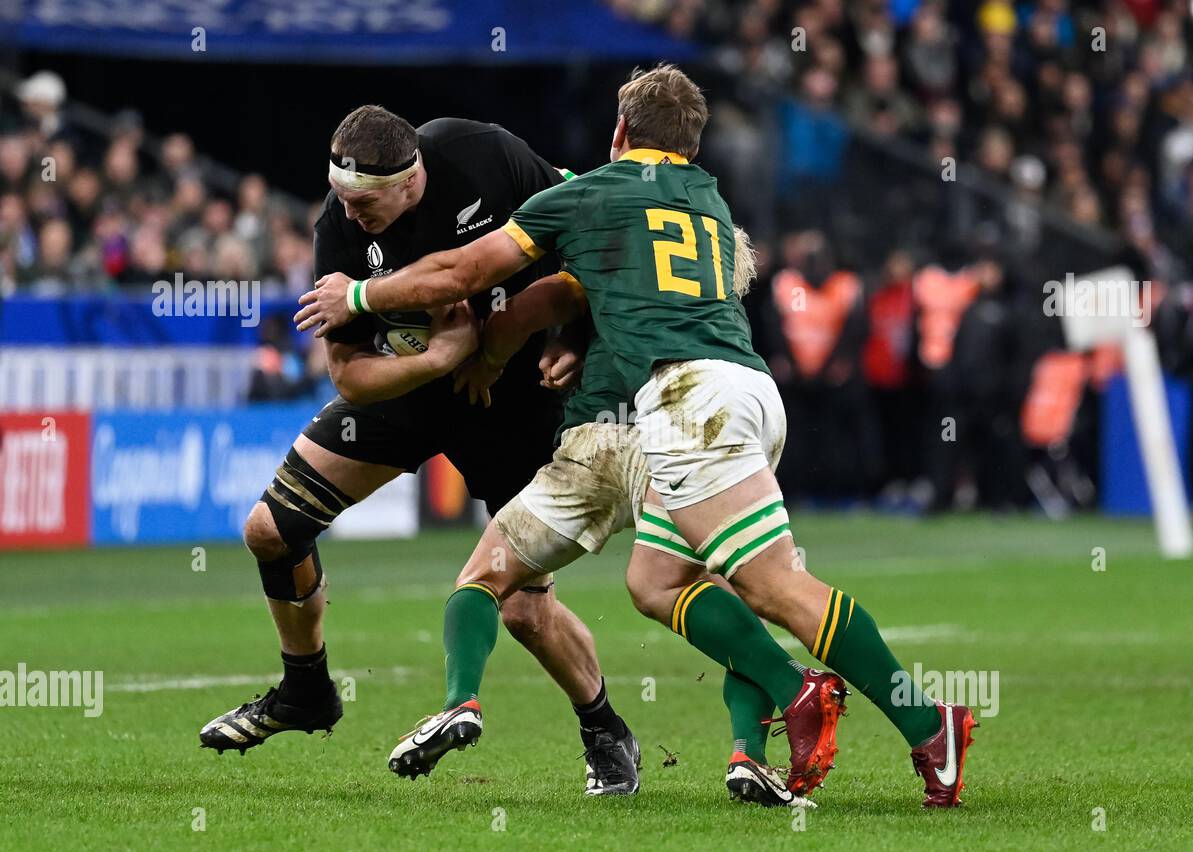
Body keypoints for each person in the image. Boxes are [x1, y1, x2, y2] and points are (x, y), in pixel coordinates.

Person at [297, 66, 978, 807]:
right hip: (745, 389)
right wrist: (577, 334)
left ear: (619, 134)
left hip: (688, 401)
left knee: (773, 587)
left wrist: (359, 294)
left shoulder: (589, 196)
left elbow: (464, 269)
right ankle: (764, 739)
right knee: (658, 583)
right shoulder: (710, 199)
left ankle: (922, 720)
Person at [200, 107, 639, 797]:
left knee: (523, 606)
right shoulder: (336, 230)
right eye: (340, 196)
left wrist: (577, 341)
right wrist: (441, 358)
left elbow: (582, 226)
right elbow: (349, 374)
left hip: (512, 397)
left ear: (412, 180)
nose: (349, 212)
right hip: (412, 389)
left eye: (364, 201)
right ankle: (306, 690)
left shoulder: (486, 155)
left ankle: (605, 729)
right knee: (271, 531)